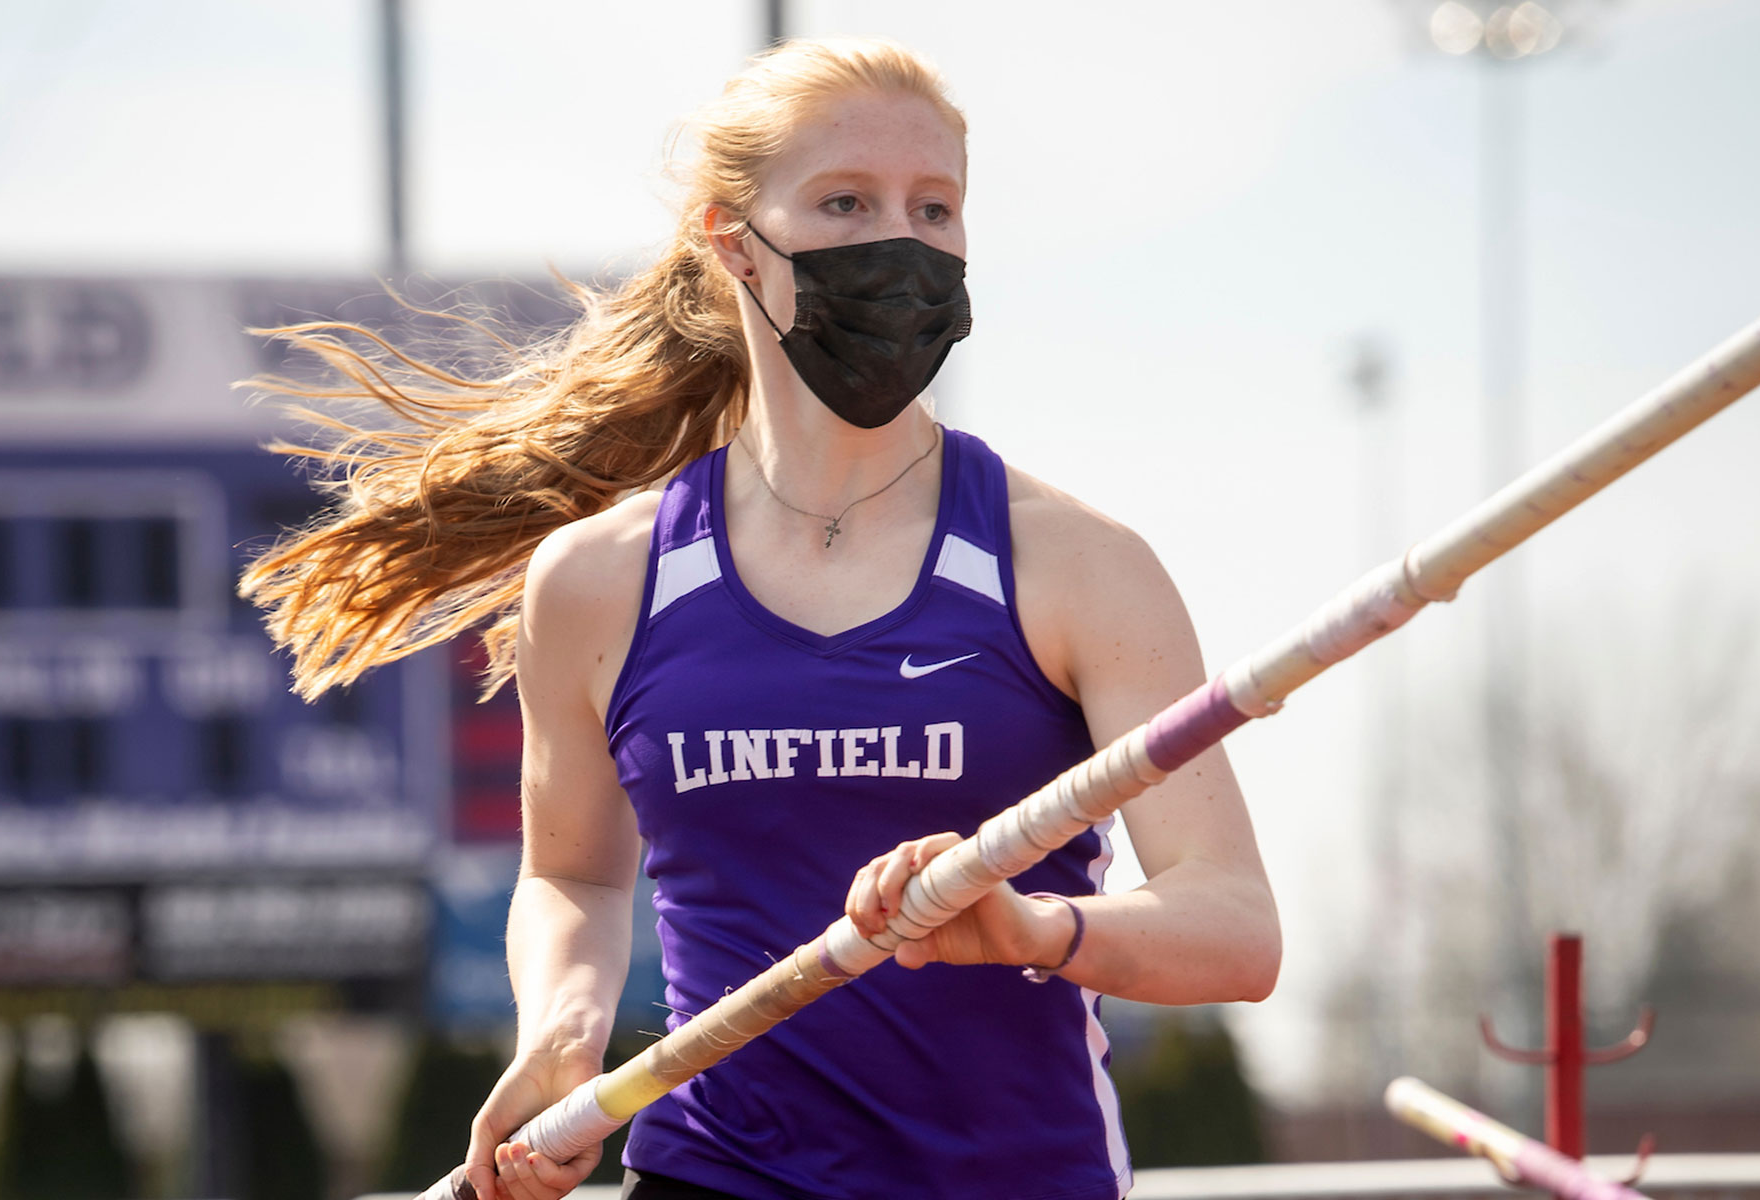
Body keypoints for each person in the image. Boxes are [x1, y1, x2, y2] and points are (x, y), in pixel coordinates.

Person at [240, 36, 1279, 1200]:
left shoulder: (1075, 564)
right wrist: (564, 1030)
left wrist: (1039, 931)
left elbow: (1235, 929)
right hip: (715, 1176)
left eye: (935, 209)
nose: (903, 243)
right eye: (847, 202)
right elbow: (574, 877)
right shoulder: (600, 579)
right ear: (732, 239)